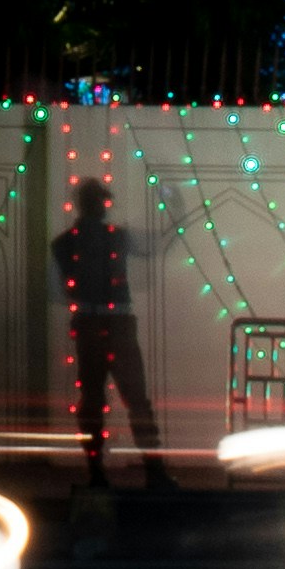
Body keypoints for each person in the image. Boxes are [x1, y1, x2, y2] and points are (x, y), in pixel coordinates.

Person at [56, 176, 163, 481]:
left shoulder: (65, 243)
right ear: (101, 203)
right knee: (136, 399)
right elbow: (154, 246)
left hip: (89, 325)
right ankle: (155, 472)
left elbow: (59, 290)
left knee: (92, 401)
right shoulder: (117, 237)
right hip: (118, 324)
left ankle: (96, 473)